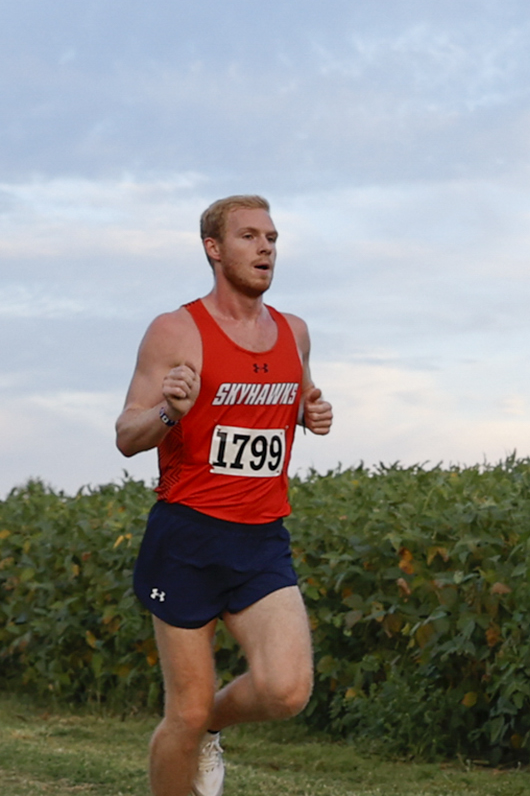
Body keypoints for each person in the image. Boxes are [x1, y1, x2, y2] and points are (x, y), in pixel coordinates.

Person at [115, 195, 332, 796]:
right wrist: (168, 410)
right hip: (187, 536)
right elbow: (126, 435)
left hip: (262, 538)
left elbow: (296, 399)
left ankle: (209, 728)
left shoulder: (295, 332)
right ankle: (191, 732)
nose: (265, 248)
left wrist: (311, 412)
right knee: (180, 714)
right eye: (249, 237)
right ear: (214, 249)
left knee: (285, 690)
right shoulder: (175, 330)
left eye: (272, 237)